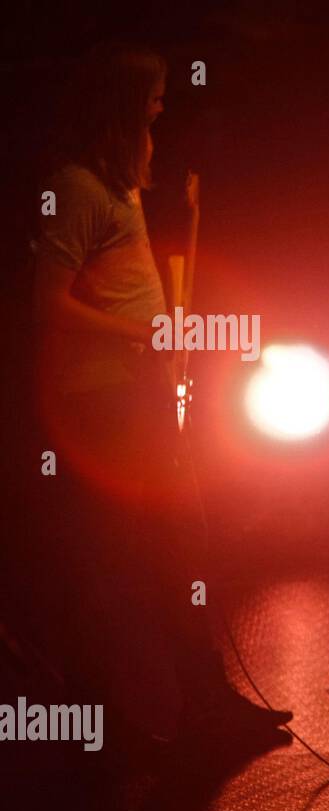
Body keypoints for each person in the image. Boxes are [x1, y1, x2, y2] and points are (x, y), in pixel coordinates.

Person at [29, 41, 291, 766]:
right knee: (140, 556)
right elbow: (47, 305)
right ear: (120, 108)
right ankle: (133, 722)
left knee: (174, 551)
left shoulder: (119, 186)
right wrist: (139, 333)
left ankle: (193, 709)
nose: (161, 109)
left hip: (137, 395)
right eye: (151, 99)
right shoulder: (75, 187)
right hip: (105, 406)